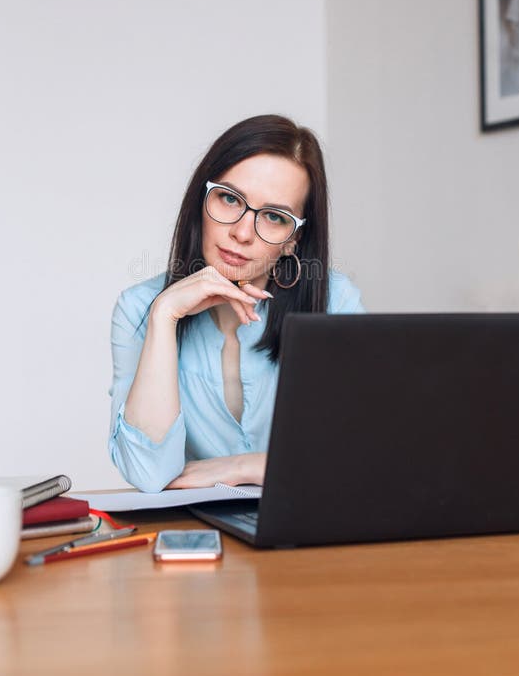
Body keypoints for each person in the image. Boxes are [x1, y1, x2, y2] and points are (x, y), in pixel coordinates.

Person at [108, 114, 365, 493]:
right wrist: (165, 315)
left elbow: (360, 455)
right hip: (200, 531)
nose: (242, 233)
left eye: (275, 217)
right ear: (202, 198)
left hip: (309, 527)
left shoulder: (334, 300)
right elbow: (148, 474)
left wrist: (242, 467)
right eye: (229, 198)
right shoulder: (140, 307)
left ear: (293, 239)